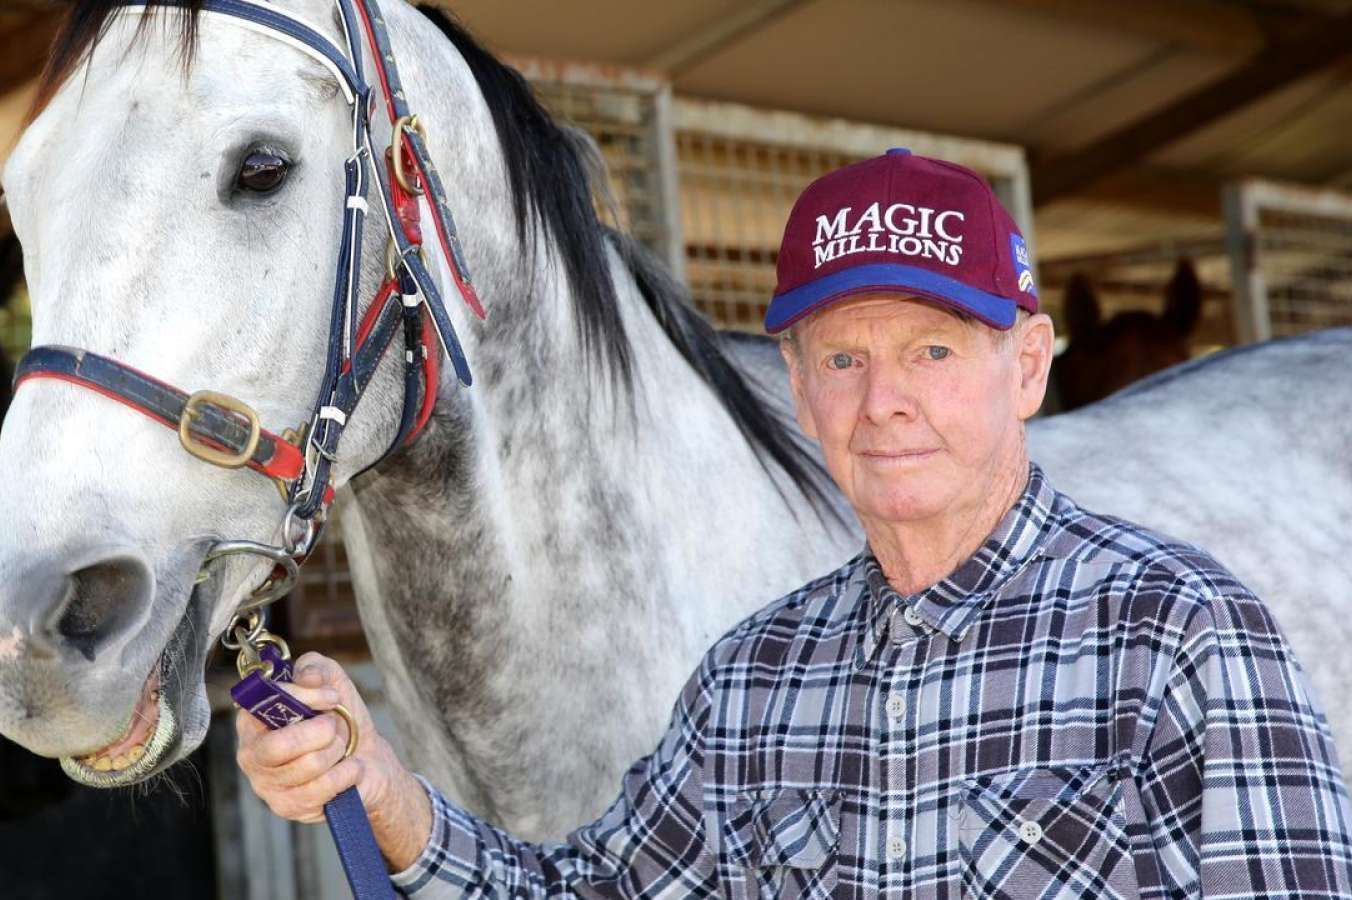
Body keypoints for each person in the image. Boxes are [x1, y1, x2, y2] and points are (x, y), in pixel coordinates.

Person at [237, 149, 1352, 897]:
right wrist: (378, 788)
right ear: (798, 385)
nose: (884, 401)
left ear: (1025, 366)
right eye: (843, 358)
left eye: (932, 350)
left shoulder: (1181, 634)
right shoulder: (753, 679)